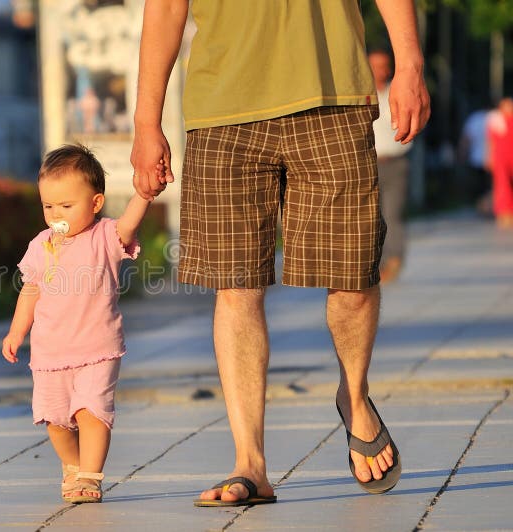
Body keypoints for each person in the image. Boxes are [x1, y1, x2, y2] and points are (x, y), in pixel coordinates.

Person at [131, 0, 430, 505]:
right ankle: (250, 464)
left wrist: (410, 64)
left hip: (334, 95)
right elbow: (164, 10)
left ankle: (354, 394)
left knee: (354, 276)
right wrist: (146, 121)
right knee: (236, 285)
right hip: (222, 111)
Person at [1, 144, 150, 503]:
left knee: (90, 411)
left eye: (66, 206)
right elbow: (31, 291)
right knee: (55, 420)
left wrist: (144, 194)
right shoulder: (42, 245)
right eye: (48, 206)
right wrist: (17, 331)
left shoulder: (105, 236)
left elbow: (129, 224)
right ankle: (72, 465)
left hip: (98, 348)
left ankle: (90, 476)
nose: (56, 215)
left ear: (95, 203)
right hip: (50, 352)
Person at [369, 49, 414, 283]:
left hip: (395, 163)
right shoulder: (359, 95)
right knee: (369, 217)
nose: (380, 70)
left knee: (392, 213)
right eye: (375, 65)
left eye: (384, 65)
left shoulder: (398, 94)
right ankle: (373, 265)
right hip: (366, 165)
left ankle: (394, 259)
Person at [486, 98, 513, 228]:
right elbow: (491, 141)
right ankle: (503, 213)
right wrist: (490, 157)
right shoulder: (496, 120)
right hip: (501, 156)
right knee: (502, 185)